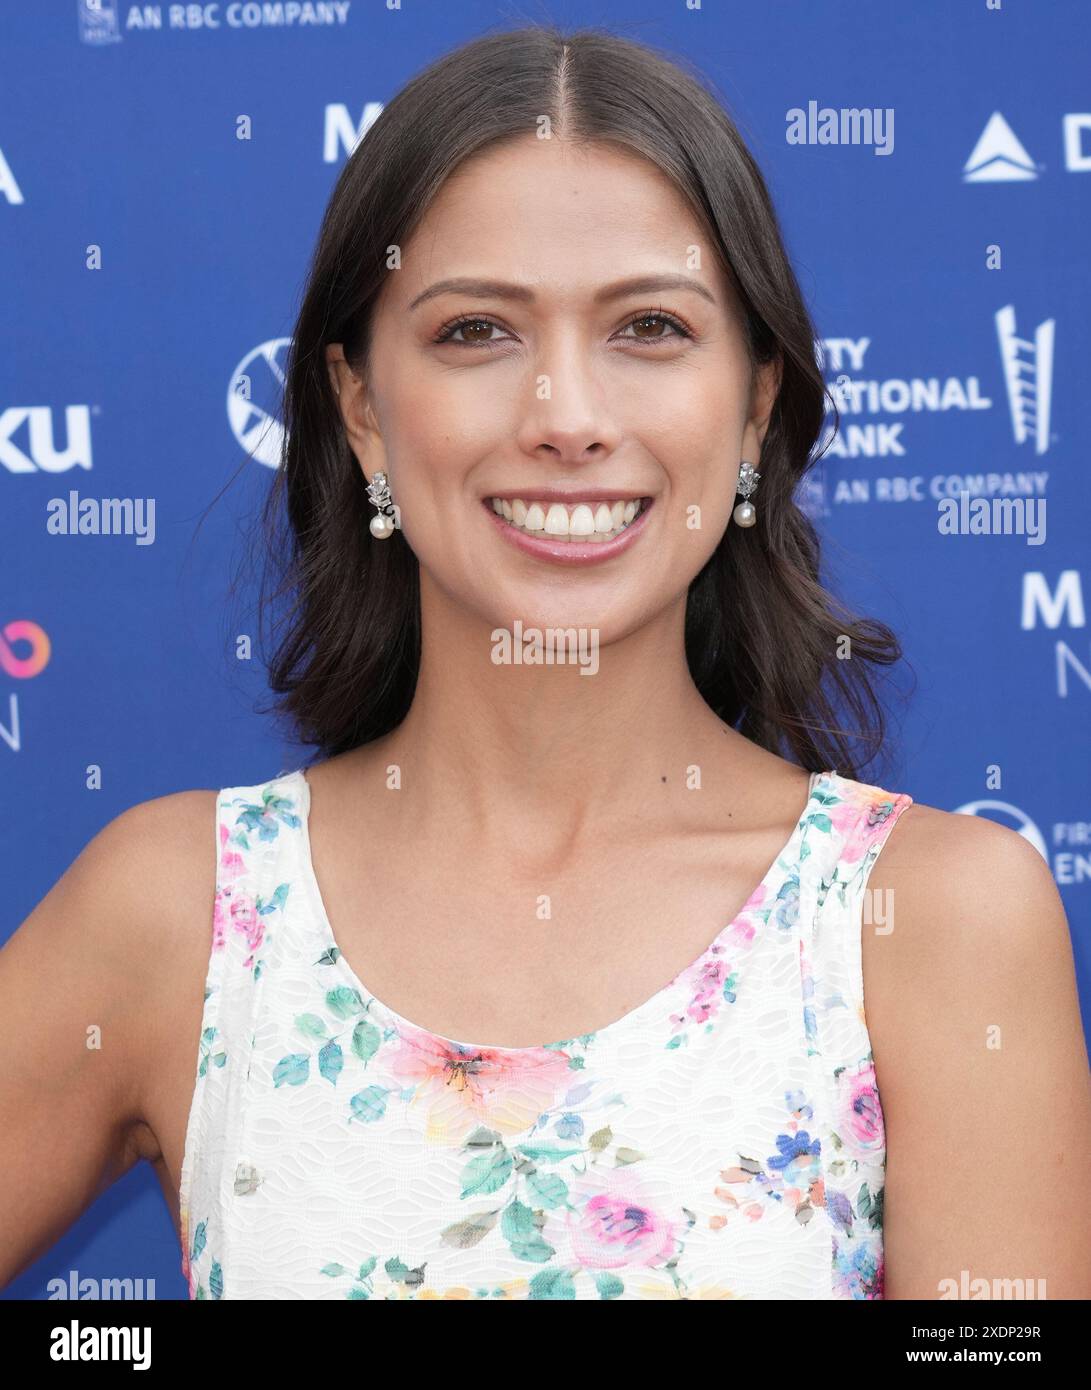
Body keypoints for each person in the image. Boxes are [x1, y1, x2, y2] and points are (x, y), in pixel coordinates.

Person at [2, 24, 1087, 1302]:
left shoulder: (931, 922)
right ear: (360, 410)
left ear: (751, 405)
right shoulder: (177, 913)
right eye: (475, 332)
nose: (566, 417)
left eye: (647, 326)